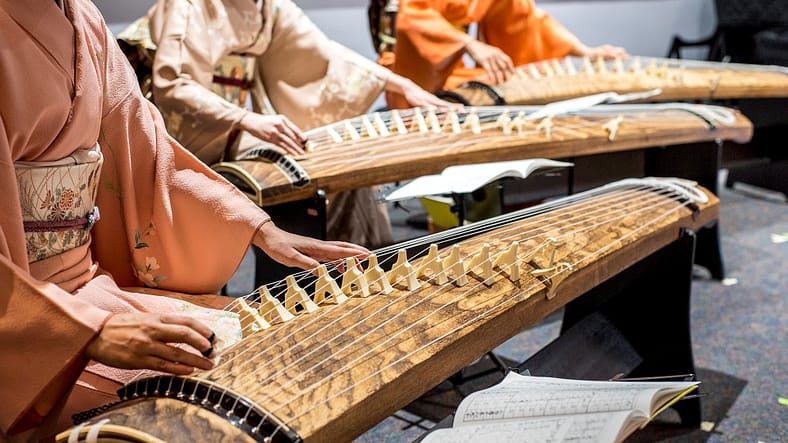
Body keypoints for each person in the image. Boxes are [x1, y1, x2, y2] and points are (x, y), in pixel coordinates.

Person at [0, 0, 370, 440]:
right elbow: (172, 87)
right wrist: (82, 333)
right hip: (30, 317)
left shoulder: (83, 17)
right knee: (189, 409)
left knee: (261, 350)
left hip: (89, 286)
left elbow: (144, 144)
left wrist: (259, 229)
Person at [146, 0, 460, 248]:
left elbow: (324, 55)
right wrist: (246, 118)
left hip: (236, 124)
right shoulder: (187, 5)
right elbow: (173, 83)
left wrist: (400, 85)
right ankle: (324, 269)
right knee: (303, 166)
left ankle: (360, 266)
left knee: (342, 165)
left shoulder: (268, 5)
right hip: (195, 131)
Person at [383, 0, 628, 108]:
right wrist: (467, 42)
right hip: (411, 73)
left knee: (505, 91)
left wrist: (584, 52)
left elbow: (525, 20)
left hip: (453, 72)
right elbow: (412, 18)